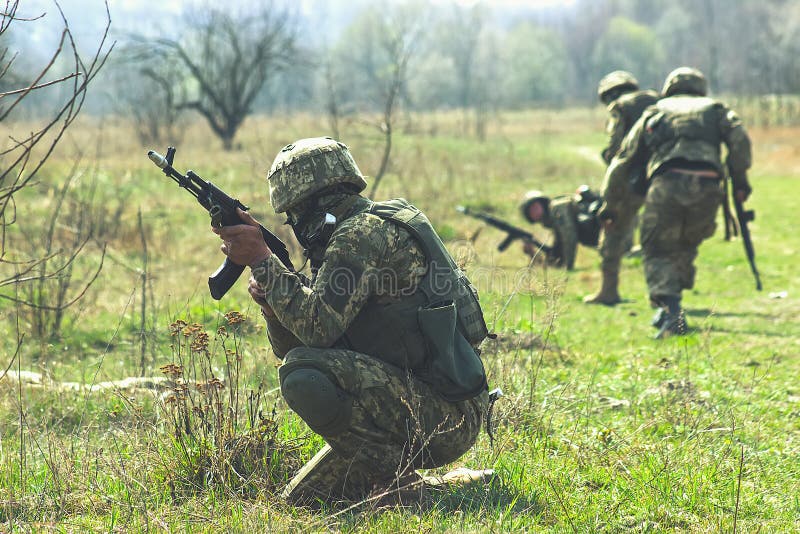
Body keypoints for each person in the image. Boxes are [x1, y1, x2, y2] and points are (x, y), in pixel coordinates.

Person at [213, 137, 492, 505]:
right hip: (414, 404)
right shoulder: (354, 231)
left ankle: (403, 487)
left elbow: (315, 334)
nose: (295, 225)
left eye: (294, 214)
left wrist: (264, 261)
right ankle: (447, 485)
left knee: (303, 374)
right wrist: (271, 303)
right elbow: (297, 343)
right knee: (302, 501)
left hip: (445, 417)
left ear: (310, 204)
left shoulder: (361, 234)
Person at [599, 67, 752, 338]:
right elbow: (739, 140)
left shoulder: (657, 110)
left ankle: (671, 312)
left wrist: (610, 204)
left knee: (657, 248)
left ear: (670, 87)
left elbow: (623, 159)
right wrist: (739, 180)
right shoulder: (715, 108)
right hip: (708, 186)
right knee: (685, 244)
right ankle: (669, 307)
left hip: (667, 183)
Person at [585, 70, 659, 305]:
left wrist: (608, 158)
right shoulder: (658, 101)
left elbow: (617, 147)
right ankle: (662, 294)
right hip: (661, 176)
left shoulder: (620, 107)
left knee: (612, 230)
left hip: (631, 179)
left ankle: (608, 291)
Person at [519, 186, 602, 271]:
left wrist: (568, 266)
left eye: (536, 206)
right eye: (531, 210)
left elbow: (569, 236)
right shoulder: (555, 221)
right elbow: (558, 254)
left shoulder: (558, 208)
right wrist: (533, 254)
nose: (535, 211)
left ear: (542, 203)